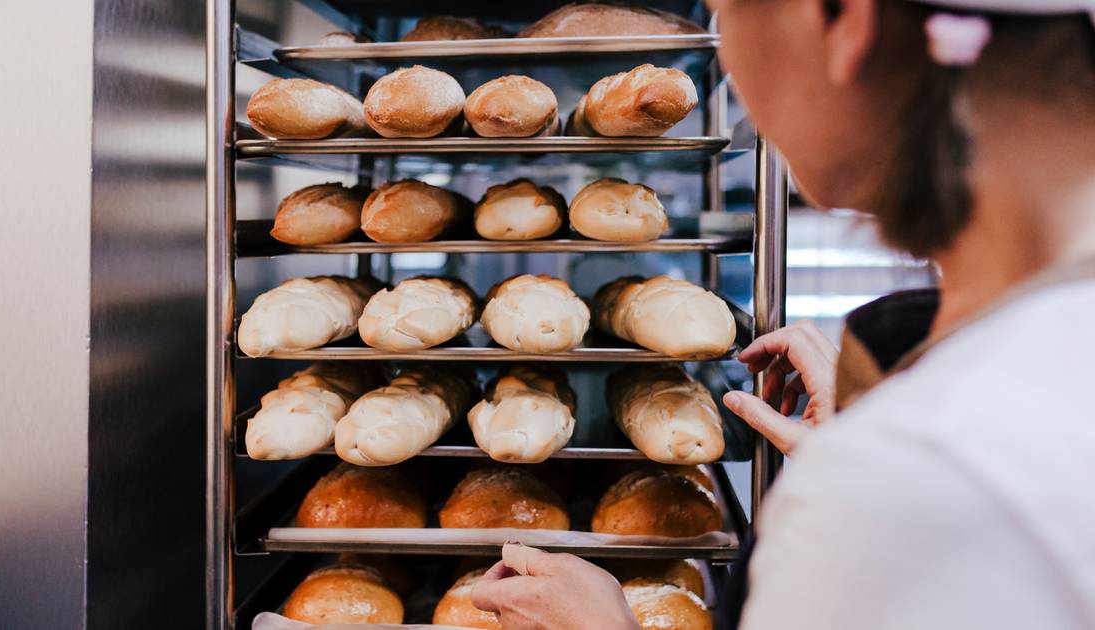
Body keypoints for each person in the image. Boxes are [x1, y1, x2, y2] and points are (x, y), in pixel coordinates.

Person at [469, 0, 1095, 628]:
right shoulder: (1014, 390)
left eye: (724, 14)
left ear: (847, 22)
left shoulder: (916, 475)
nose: (729, 62)